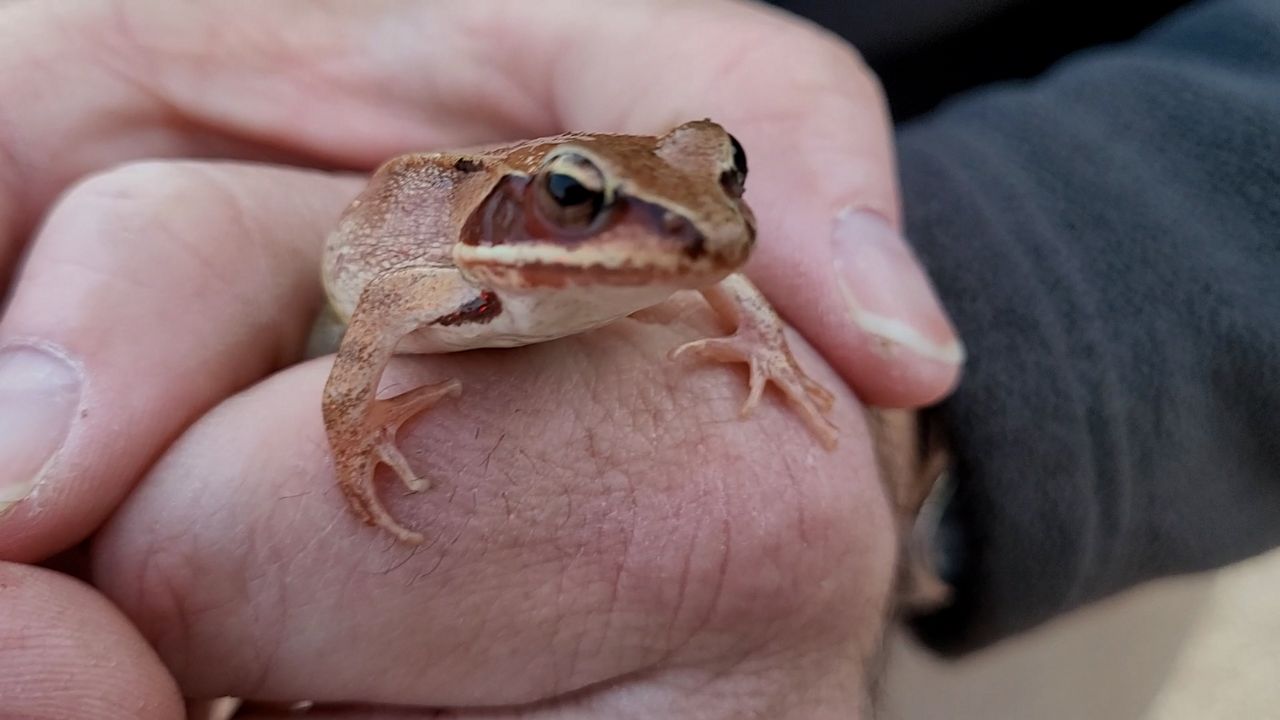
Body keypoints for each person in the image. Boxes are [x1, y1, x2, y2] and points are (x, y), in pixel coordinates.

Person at [0, 2, 1273, 719]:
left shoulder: (692, 246)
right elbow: (372, 329)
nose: (702, 230)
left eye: (724, 178)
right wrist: (362, 435)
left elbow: (717, 262)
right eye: (574, 199)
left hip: (990, 530)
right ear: (534, 205)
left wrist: (842, 371)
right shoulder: (445, 270)